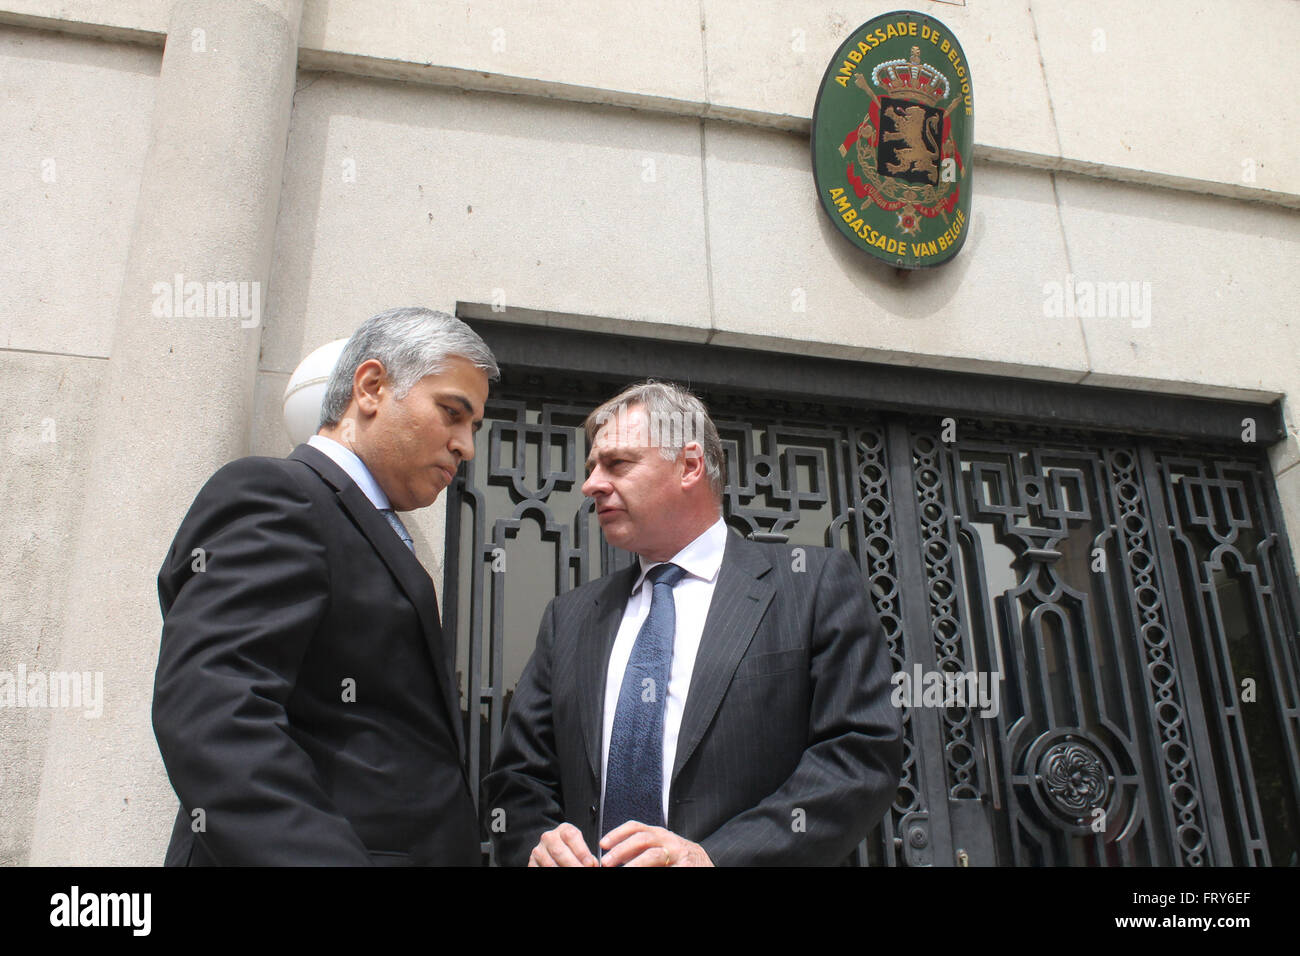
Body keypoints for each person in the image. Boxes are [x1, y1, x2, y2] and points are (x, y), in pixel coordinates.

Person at [483, 381, 902, 866]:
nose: (591, 484)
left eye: (618, 463)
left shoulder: (812, 586)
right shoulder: (569, 618)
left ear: (689, 466)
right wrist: (540, 843)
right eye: (593, 466)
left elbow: (860, 755)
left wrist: (714, 858)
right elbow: (519, 778)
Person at [152, 307, 497, 865]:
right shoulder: (278, 494)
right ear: (371, 387)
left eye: (473, 426)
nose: (466, 446)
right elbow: (215, 711)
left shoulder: (377, 528)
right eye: (452, 413)